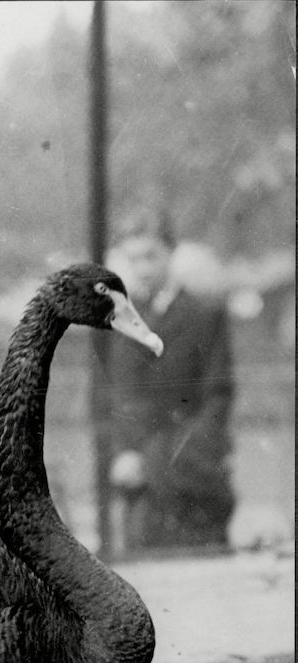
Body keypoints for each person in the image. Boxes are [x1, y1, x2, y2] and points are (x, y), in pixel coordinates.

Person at [104, 208, 236, 553]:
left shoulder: (204, 316)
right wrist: (123, 455)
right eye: (133, 259)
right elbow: (118, 402)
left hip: (193, 490)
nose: (143, 268)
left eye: (151, 256)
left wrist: (154, 463)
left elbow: (217, 403)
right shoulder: (123, 323)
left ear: (171, 253)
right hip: (140, 499)